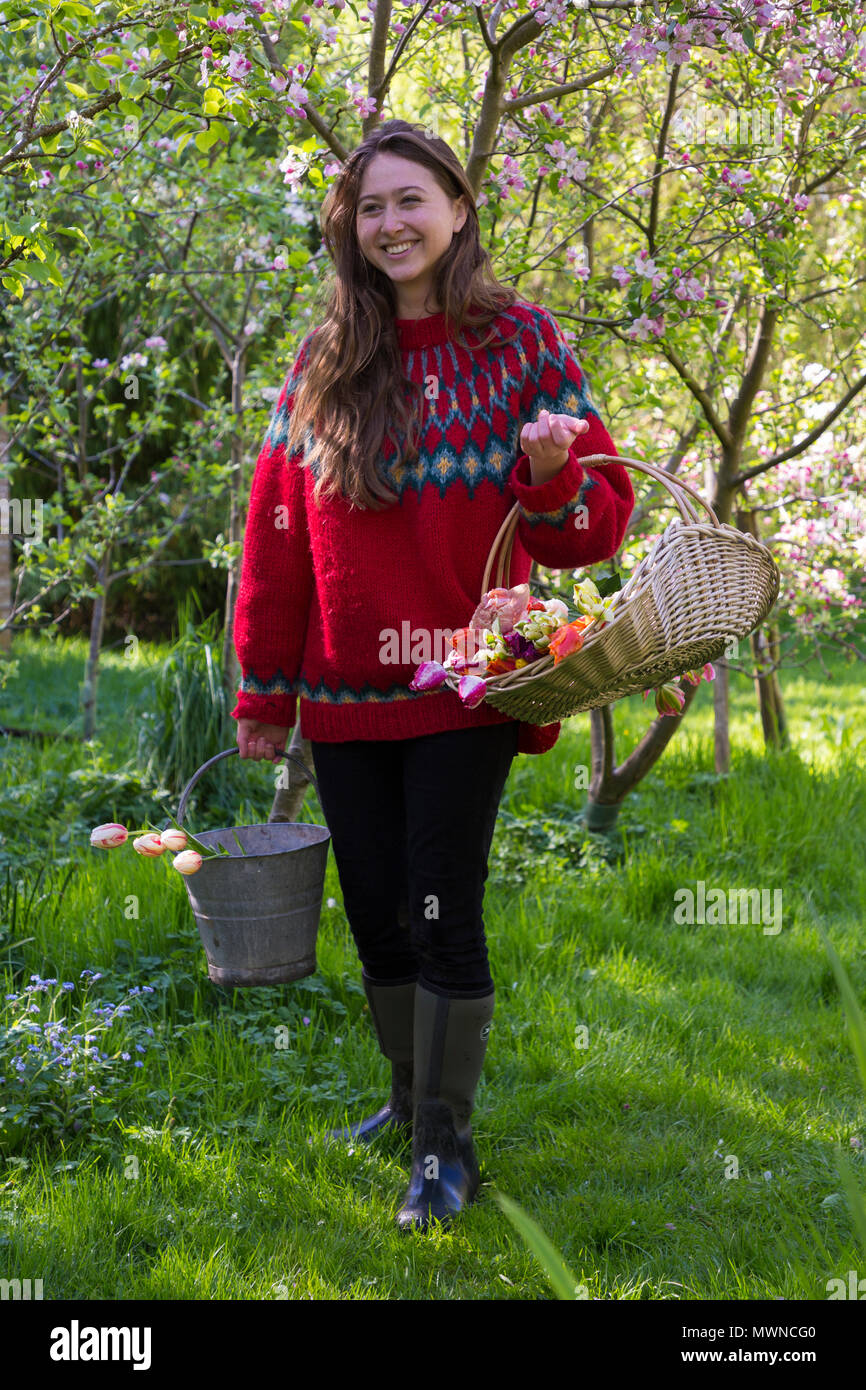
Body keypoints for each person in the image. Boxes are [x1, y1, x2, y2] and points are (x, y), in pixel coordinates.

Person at [231, 118, 635, 1233]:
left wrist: (549, 479)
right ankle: (405, 1100)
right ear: (348, 231)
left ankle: (444, 1146)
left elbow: (591, 530)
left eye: (411, 200)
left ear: (457, 209)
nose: (391, 223)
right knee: (374, 912)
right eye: (370, 208)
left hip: (465, 688)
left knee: (436, 903)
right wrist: (265, 691)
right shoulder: (323, 364)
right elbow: (272, 535)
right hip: (346, 693)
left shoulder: (520, 345)